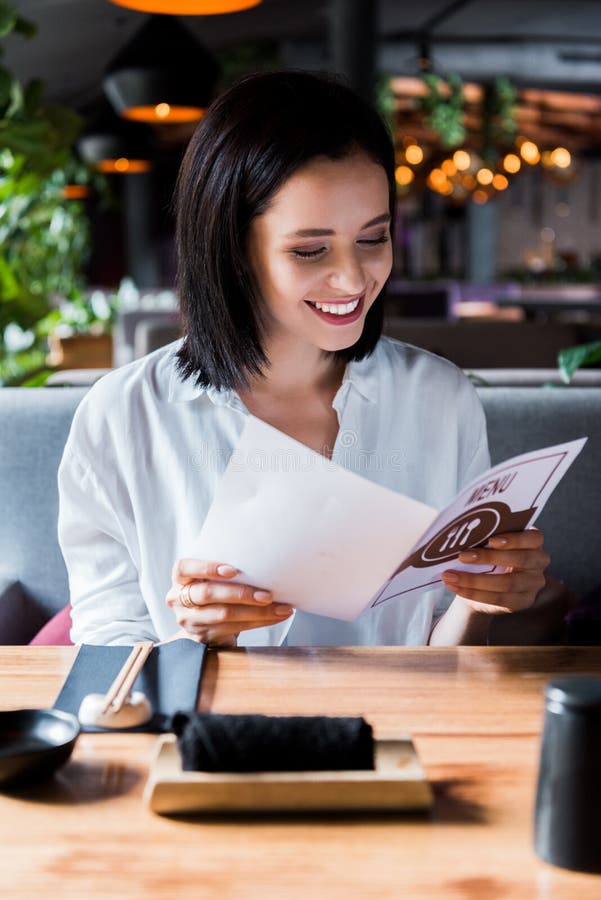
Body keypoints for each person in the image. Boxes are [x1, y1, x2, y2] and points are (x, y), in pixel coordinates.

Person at [58, 71, 550, 648]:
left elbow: (437, 664)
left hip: (388, 733)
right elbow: (106, 662)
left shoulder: (439, 397)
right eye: (310, 249)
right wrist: (199, 641)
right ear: (232, 248)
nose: (352, 278)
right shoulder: (122, 416)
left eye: (373, 238)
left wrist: (479, 599)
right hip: (204, 736)